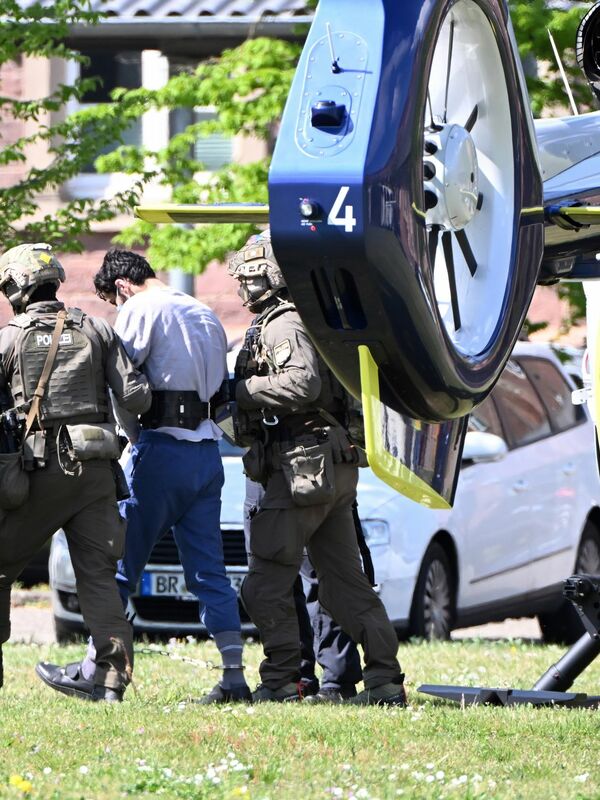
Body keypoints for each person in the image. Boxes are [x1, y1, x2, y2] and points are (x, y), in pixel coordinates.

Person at [40, 249, 251, 704]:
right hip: (206, 456)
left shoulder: (139, 308)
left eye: (114, 302)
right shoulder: (205, 313)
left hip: (160, 453)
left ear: (121, 286)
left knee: (117, 566)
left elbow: (124, 384)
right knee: (209, 572)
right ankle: (234, 678)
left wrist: (133, 441)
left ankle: (100, 673)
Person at [229, 230, 406, 705]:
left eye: (248, 277)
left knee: (265, 582)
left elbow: (302, 384)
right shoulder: (315, 318)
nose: (242, 288)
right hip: (331, 468)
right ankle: (385, 680)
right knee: (346, 583)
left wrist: (240, 394)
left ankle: (281, 681)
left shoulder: (284, 323)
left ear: (269, 277)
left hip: (301, 468)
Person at [0, 242, 151, 702]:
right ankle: (109, 681)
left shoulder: (9, 338)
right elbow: (138, 396)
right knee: (99, 578)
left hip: (35, 475)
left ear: (16, 288)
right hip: (97, 474)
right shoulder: (97, 329)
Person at [244, 477, 364, 703]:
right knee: (273, 579)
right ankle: (294, 679)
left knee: (325, 572)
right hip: (265, 470)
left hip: (310, 466)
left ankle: (337, 681)